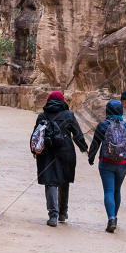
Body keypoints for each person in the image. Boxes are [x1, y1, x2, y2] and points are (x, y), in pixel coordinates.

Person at [32, 90, 87, 226]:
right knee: (64, 180)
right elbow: (77, 134)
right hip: (66, 151)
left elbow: (36, 135)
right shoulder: (69, 115)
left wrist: (34, 150)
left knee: (50, 181)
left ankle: (53, 216)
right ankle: (63, 212)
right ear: (62, 101)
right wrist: (85, 149)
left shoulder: (42, 116)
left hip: (47, 152)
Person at [88, 97, 126, 232]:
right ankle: (115, 217)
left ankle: (111, 218)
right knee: (117, 190)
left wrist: (91, 157)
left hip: (106, 163)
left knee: (108, 191)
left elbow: (95, 144)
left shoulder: (103, 125)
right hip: (122, 163)